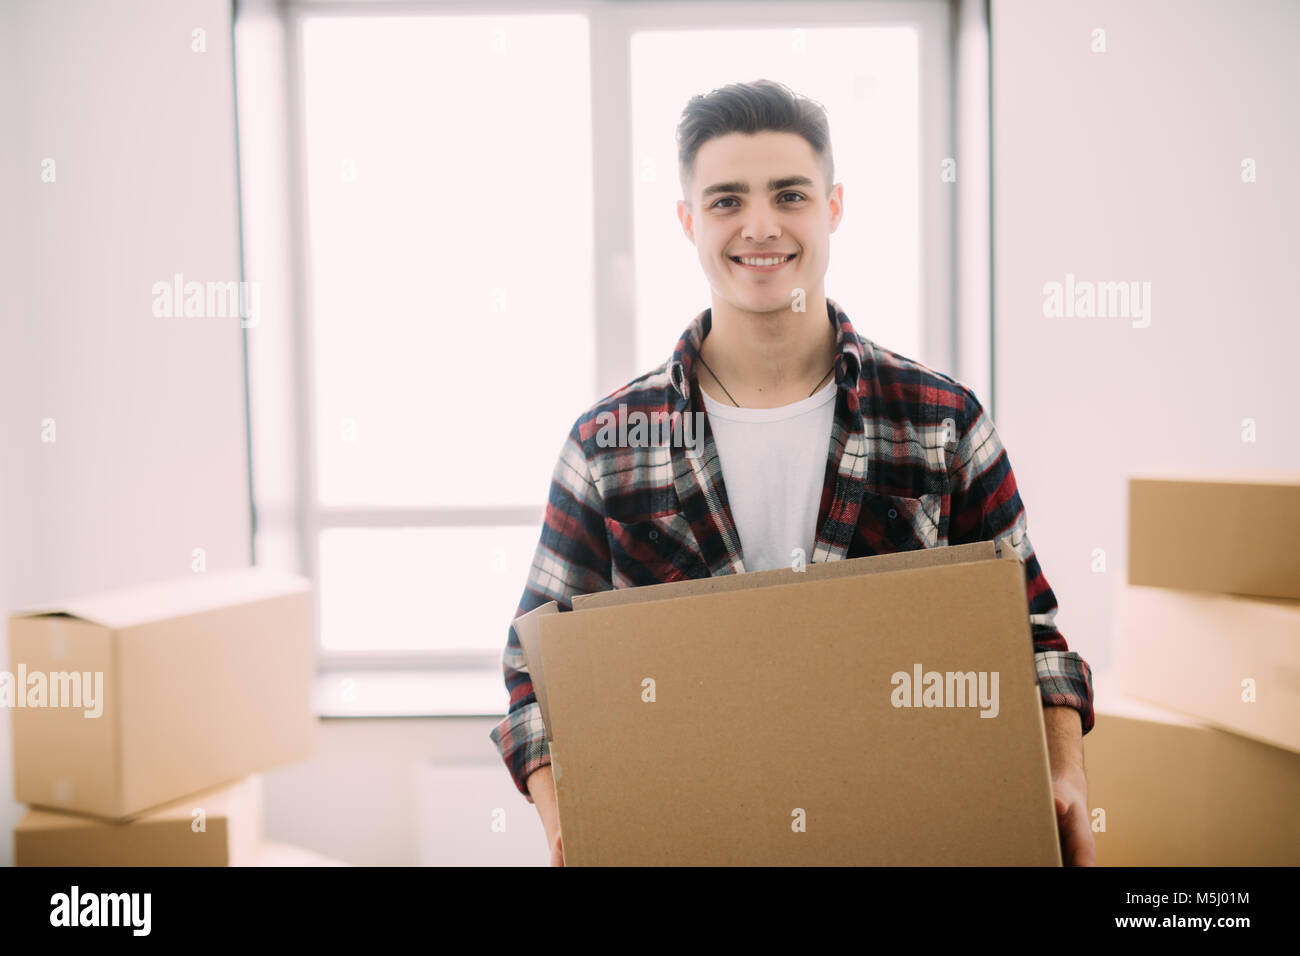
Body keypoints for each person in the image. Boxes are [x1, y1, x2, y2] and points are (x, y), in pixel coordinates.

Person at [489, 79, 1095, 867]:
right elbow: (533, 667)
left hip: (902, 837)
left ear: (833, 207)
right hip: (691, 842)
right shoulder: (608, 442)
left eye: (789, 195)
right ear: (687, 220)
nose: (761, 227)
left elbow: (1032, 637)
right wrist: (565, 815)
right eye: (726, 201)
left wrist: (1063, 773)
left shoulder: (940, 420)